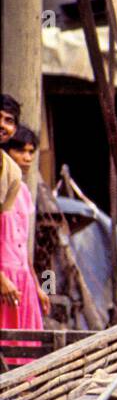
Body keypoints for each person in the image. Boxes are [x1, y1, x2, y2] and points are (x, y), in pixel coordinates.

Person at [1, 122, 49, 359]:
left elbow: (22, 246)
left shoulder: (24, 192)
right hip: (4, 280)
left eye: (31, 152)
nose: (27, 158)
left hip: (23, 280)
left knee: (26, 351)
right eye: (20, 150)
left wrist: (38, 285)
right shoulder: (2, 189)